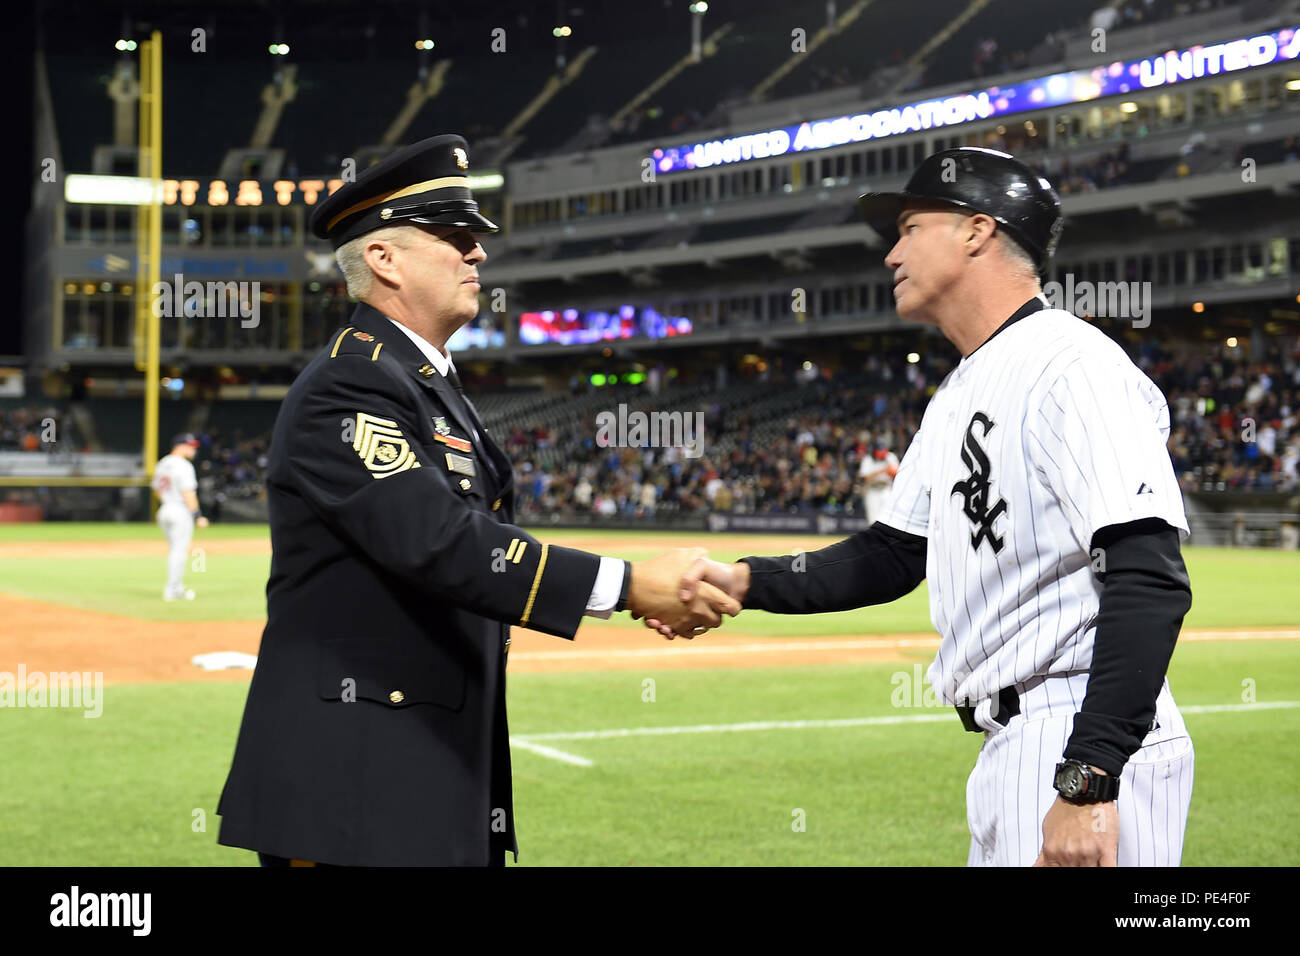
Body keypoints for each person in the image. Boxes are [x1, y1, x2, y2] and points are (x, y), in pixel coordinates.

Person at [649, 147, 1195, 867]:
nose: (892, 254)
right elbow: (892, 555)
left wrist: (1089, 779)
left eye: (909, 227)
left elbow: (1149, 576)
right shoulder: (961, 390)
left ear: (976, 230)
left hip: (1079, 733)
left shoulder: (1074, 365)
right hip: (1017, 741)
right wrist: (744, 580)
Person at [215, 134, 738, 868]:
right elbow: (441, 540)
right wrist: (626, 584)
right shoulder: (349, 385)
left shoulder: (421, 384)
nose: (478, 255)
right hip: (354, 792)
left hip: (416, 775)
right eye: (454, 238)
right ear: (383, 260)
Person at [151, 433, 208, 601]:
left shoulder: (162, 463)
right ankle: (173, 589)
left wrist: (167, 502)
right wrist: (197, 515)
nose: (193, 449)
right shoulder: (184, 465)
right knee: (179, 551)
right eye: (190, 446)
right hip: (180, 510)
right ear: (180, 446)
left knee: (174, 550)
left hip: (165, 509)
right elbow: (187, 492)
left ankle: (176, 587)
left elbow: (156, 489)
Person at [858, 443, 899, 523]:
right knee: (872, 519)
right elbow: (865, 479)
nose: (882, 453)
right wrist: (883, 470)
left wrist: (892, 472)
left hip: (886, 488)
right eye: (880, 450)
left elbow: (897, 473)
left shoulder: (890, 456)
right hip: (872, 490)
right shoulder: (868, 459)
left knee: (887, 517)